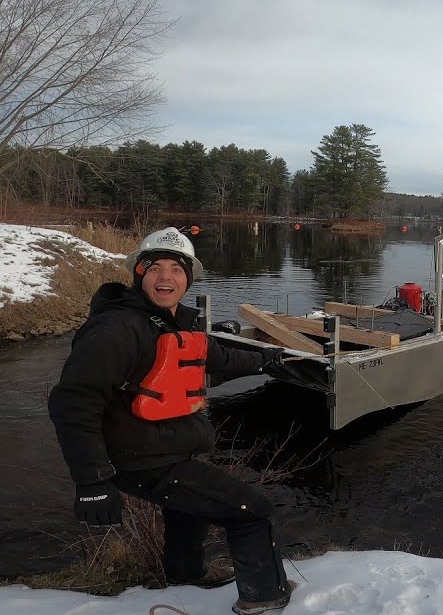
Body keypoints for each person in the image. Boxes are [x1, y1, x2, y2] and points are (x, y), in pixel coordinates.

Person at [47, 227, 295, 615]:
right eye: (155, 268)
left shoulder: (174, 322)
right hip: (140, 458)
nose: (166, 277)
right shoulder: (117, 328)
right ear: (140, 274)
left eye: (177, 269)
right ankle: (264, 598)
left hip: (165, 448)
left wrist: (268, 361)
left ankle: (185, 581)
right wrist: (91, 480)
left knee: (188, 511)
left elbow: (219, 358)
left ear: (188, 278)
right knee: (254, 513)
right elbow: (73, 402)